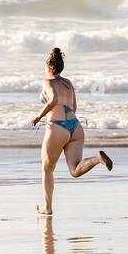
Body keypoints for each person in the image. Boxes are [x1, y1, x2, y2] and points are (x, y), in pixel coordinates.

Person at [30, 46, 112, 216]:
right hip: (75, 126)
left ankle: (48, 207)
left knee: (46, 169)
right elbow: (74, 107)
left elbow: (53, 100)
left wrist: (38, 117)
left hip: (57, 127)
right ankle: (97, 158)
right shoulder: (68, 83)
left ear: (50, 68)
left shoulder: (47, 81)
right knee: (74, 170)